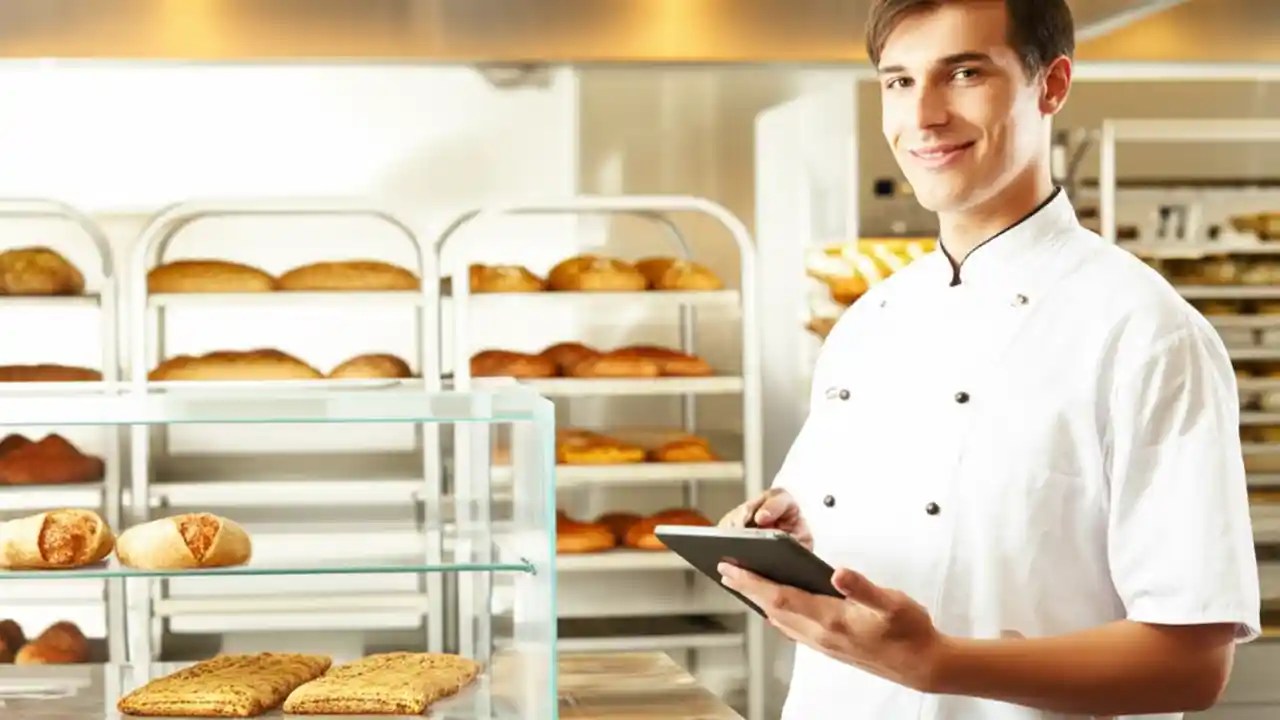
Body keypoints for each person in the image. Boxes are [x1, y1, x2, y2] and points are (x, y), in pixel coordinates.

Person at [718, 0, 1261, 718]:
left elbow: (1190, 665)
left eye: (964, 73)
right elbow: (861, 544)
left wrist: (939, 663)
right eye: (898, 82)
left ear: (1053, 85)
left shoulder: (1144, 332)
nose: (924, 116)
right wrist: (780, 539)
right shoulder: (868, 321)